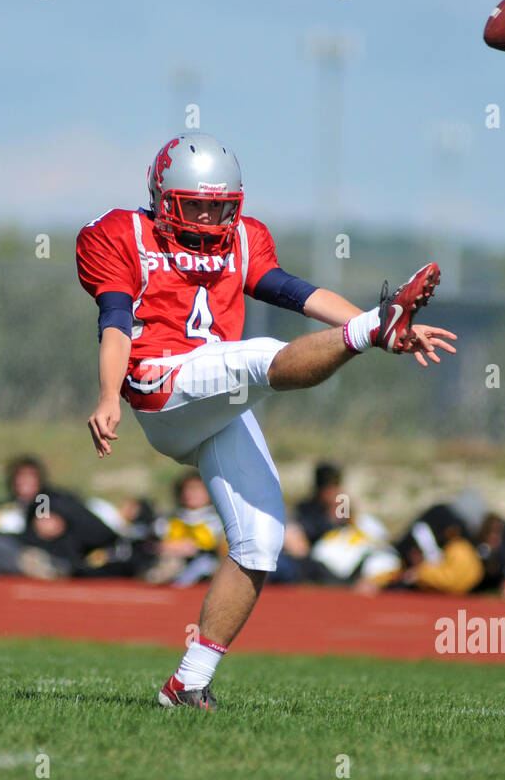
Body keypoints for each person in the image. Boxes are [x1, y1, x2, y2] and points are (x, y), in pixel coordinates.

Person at [78, 132, 457, 709]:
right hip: (160, 383)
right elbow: (115, 321)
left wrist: (386, 329)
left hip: (217, 394)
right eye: (194, 203)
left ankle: (188, 685)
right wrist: (108, 393)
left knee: (260, 542)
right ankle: (372, 328)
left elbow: (299, 293)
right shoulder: (117, 233)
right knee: (258, 354)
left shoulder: (247, 239)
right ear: (160, 196)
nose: (207, 215)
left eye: (218, 205)